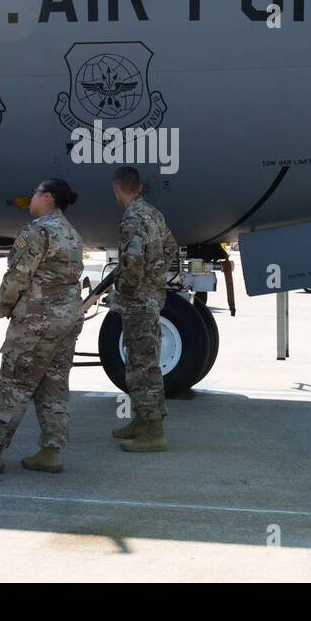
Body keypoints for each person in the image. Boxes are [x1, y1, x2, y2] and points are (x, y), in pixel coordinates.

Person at [0, 179, 84, 474]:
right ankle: (51, 452)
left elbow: (17, 277)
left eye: (35, 194)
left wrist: (3, 307)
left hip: (36, 323)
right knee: (54, 386)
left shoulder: (37, 231)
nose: (31, 199)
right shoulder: (72, 233)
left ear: (48, 197)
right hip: (66, 321)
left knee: (14, 387)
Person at [110, 166, 179, 452]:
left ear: (117, 190)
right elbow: (171, 247)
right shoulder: (153, 214)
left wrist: (124, 290)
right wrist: (156, 277)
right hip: (152, 297)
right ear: (138, 187)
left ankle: (154, 431)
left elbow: (133, 262)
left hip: (138, 301)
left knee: (142, 366)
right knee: (142, 361)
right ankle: (142, 419)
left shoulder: (132, 218)